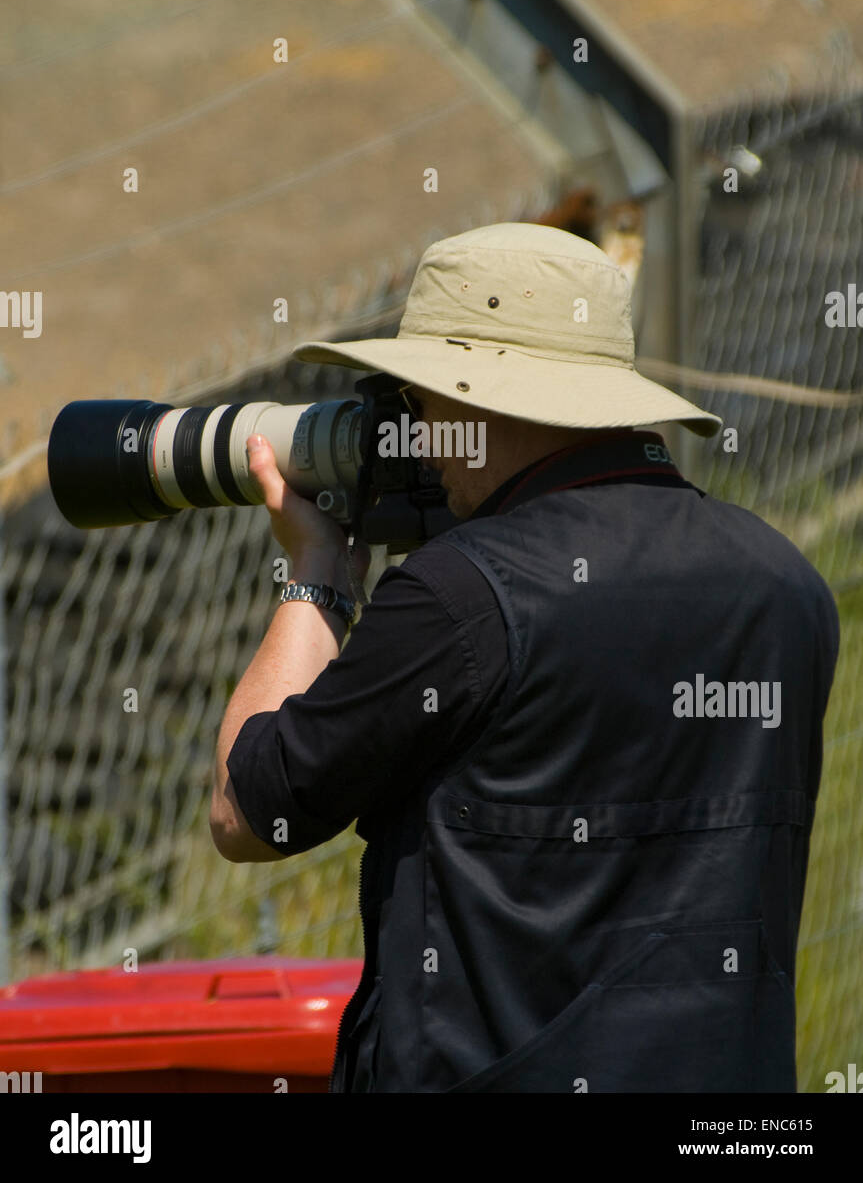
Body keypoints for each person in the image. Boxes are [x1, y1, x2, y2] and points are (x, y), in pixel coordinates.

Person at [209, 222, 840, 1093]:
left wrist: (316, 575)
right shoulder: (788, 586)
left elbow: (247, 811)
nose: (412, 430)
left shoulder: (462, 597)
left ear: (476, 399)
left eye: (416, 398)